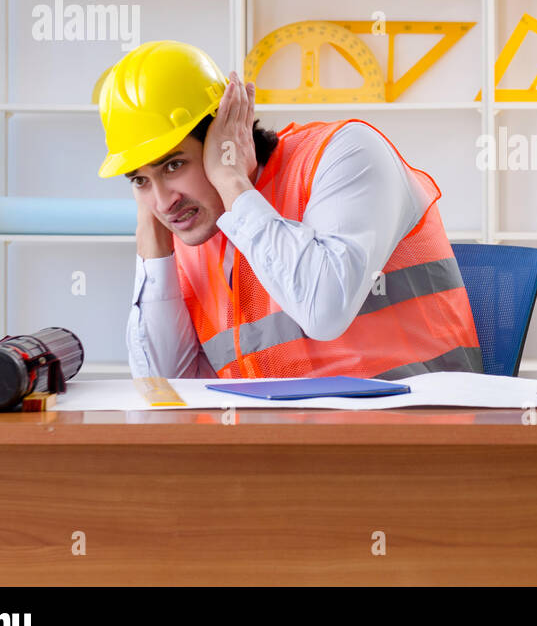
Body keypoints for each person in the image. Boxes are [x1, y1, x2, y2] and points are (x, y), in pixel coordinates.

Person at [95, 40, 482, 380]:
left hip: (419, 439)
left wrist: (231, 180)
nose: (164, 202)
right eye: (139, 179)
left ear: (224, 132)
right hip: (285, 449)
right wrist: (151, 237)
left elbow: (325, 311)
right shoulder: (191, 232)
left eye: (173, 165)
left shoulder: (343, 155)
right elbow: (165, 387)